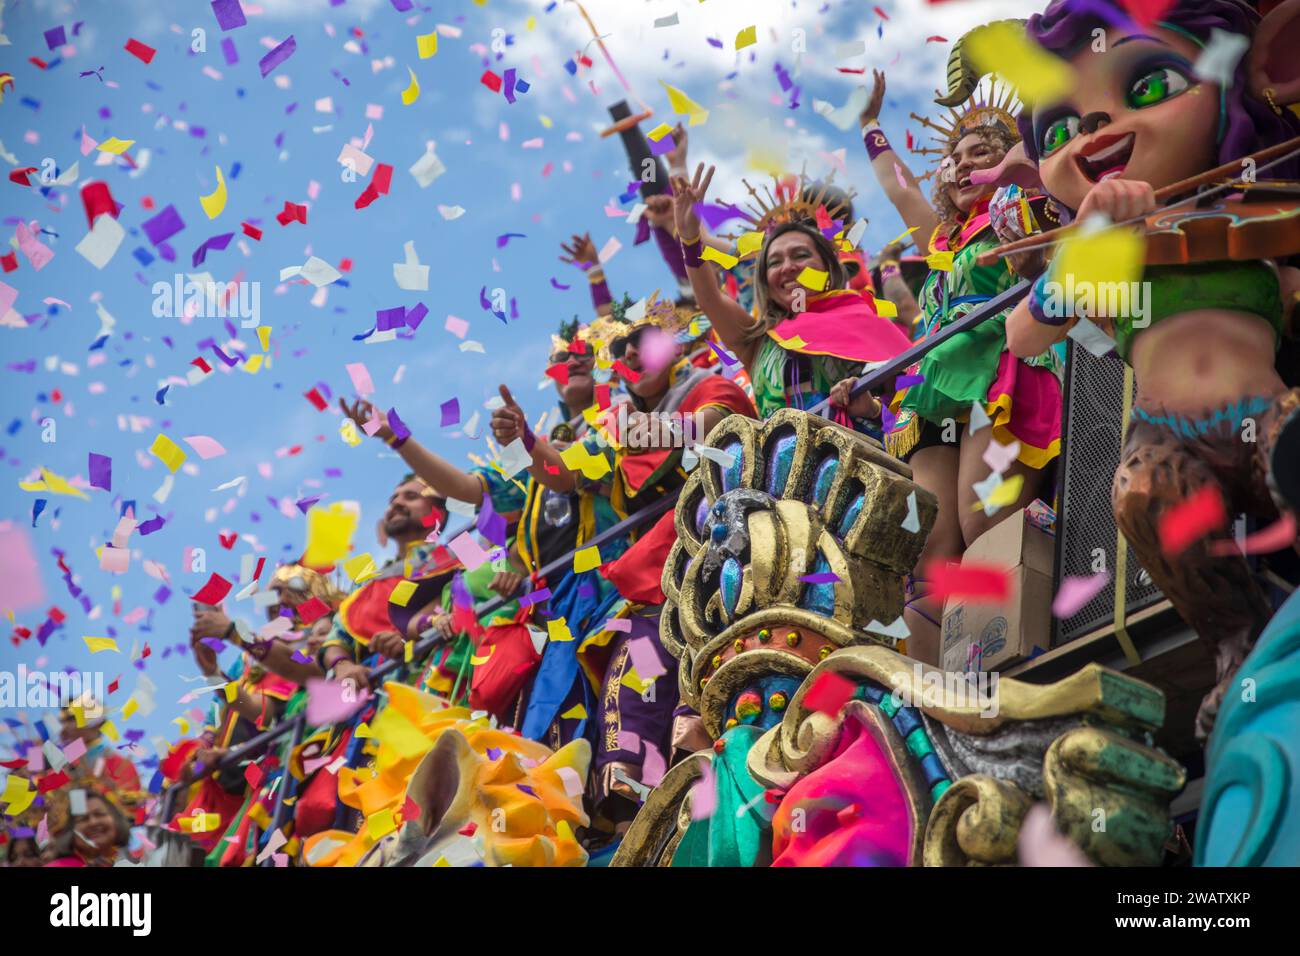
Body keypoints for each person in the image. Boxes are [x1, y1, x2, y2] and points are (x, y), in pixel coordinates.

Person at [1005, 0, 1300, 738]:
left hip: (1259, 411)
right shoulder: (1102, 260)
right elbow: (1022, 338)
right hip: (1160, 435)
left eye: (1145, 88)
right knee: (1140, 495)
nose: (1095, 132)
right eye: (1062, 130)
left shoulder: (1258, 214)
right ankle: (1236, 643)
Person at [849, 62, 1066, 664]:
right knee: (930, 552)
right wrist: (869, 123)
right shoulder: (941, 241)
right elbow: (898, 187)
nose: (966, 164)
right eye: (958, 158)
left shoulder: (1025, 207)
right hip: (933, 393)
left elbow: (1037, 150)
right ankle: (932, 705)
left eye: (983, 153)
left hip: (996, 372)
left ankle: (1006, 664)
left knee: (982, 522)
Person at [671, 165, 913, 428]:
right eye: (774, 262)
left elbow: (910, 408)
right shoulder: (757, 340)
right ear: (765, 280)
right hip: (774, 466)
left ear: (828, 267)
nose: (788, 267)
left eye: (801, 255)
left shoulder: (865, 321)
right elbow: (709, 298)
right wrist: (690, 238)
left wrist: (873, 409)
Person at [43, 789, 131, 867]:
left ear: (116, 819)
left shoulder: (138, 858)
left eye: (99, 814)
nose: (93, 822)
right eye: (83, 819)